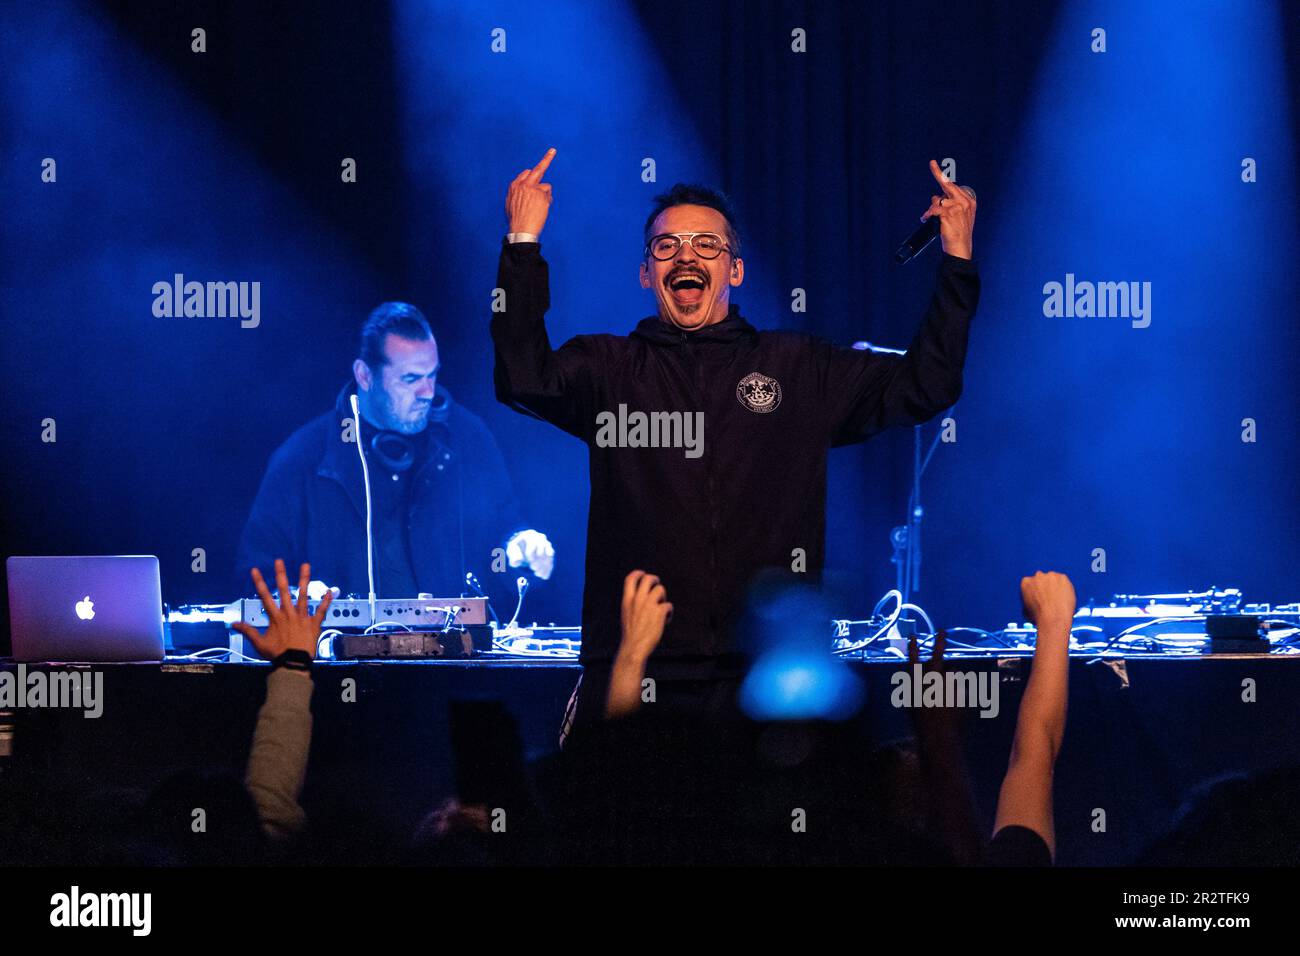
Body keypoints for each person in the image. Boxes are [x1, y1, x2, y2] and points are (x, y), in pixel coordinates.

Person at [492, 147, 979, 725]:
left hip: (768, 675)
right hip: (639, 668)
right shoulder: (608, 370)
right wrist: (522, 243)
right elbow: (522, 376)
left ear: (735, 269)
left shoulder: (798, 369)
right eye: (666, 246)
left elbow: (927, 385)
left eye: (707, 245)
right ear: (647, 272)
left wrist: (956, 258)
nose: (686, 257)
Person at [237, 302, 554, 606]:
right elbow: (257, 580)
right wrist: (298, 597)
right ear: (365, 376)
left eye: (432, 375)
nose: (427, 392)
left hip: (453, 656)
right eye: (411, 379)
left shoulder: (467, 439)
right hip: (337, 657)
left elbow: (503, 532)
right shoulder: (303, 459)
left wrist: (518, 548)